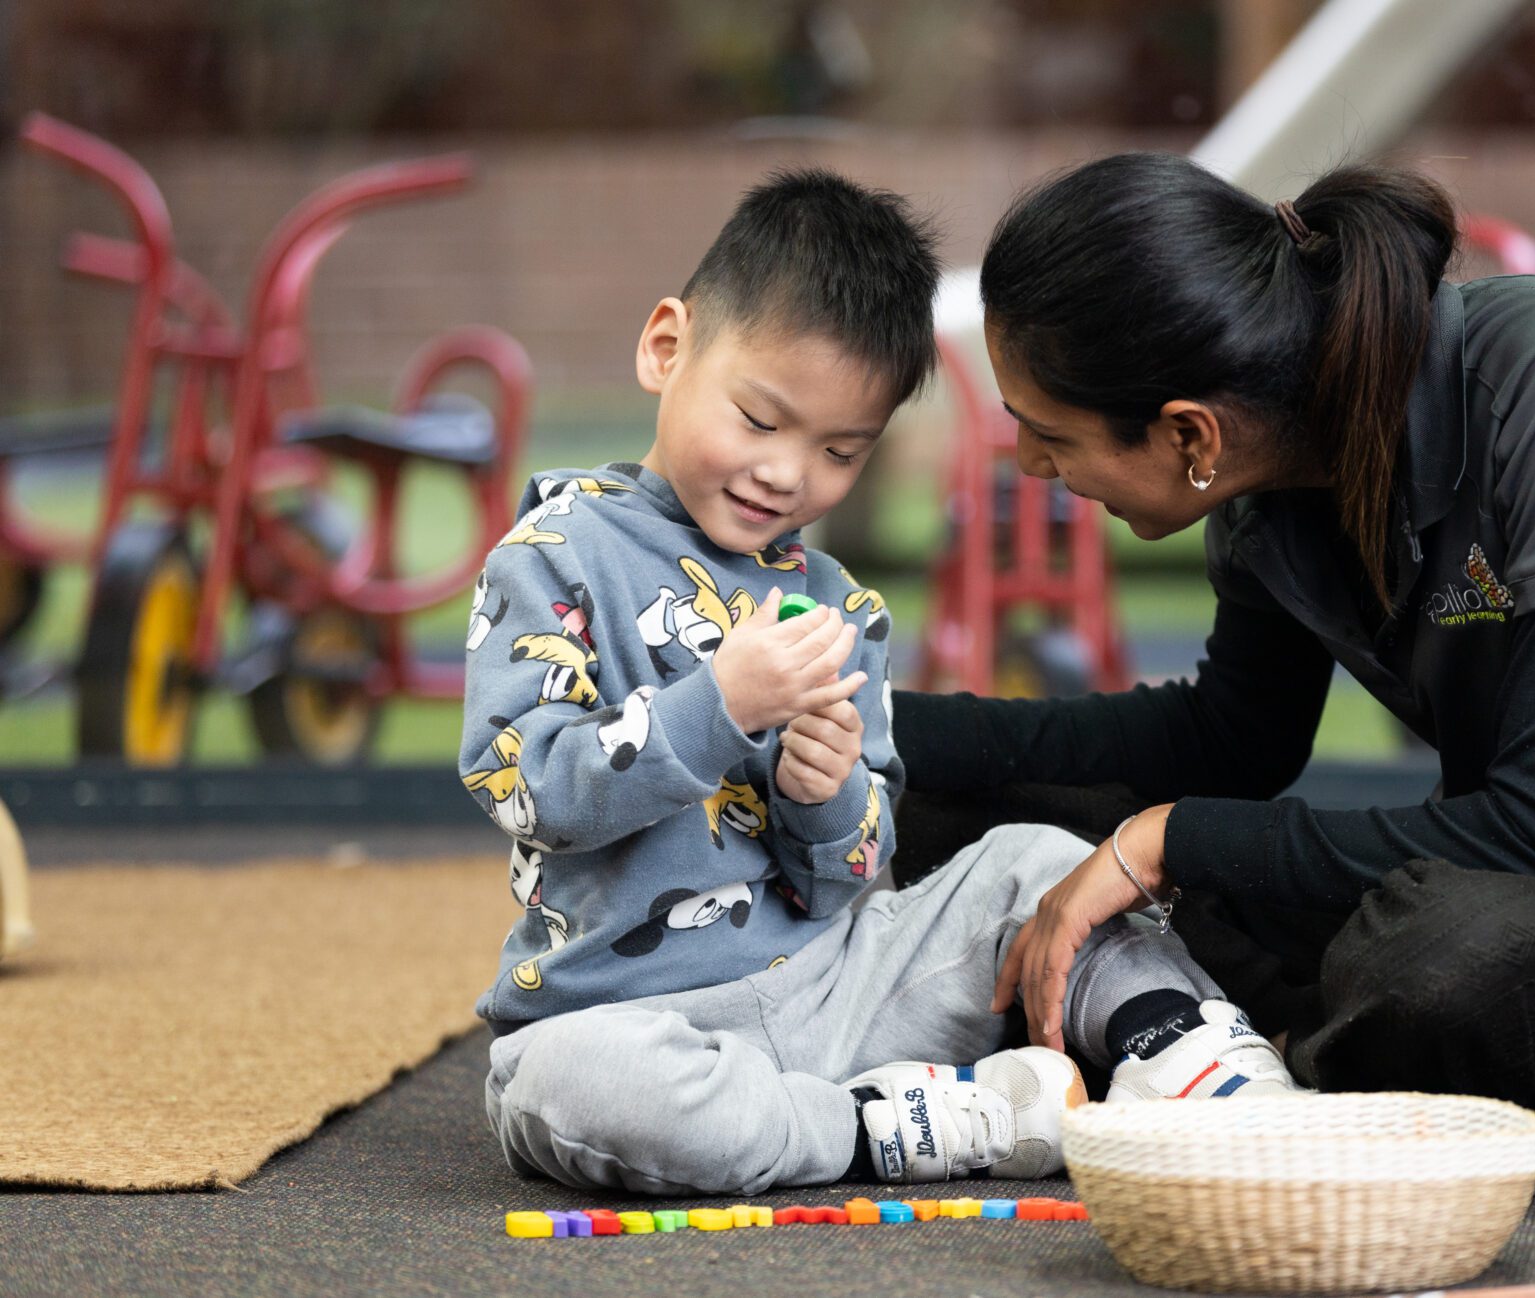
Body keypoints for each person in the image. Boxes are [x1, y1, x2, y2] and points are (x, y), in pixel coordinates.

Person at [892, 152, 1535, 1170]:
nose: (1029, 464)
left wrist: (1169, 839)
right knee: (993, 811)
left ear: (1188, 434)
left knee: (1431, 959)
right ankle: (1223, 1049)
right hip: (1514, 911)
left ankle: (1207, 1053)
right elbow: (1225, 741)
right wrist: (883, 728)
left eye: (1047, 433)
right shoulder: (1266, 486)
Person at [460, 169, 1296, 1198]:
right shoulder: (553, 557)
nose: (785, 473)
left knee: (1029, 861)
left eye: (838, 451)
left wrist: (824, 800)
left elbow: (853, 874)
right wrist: (714, 707)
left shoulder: (834, 606)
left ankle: (1196, 1063)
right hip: (630, 1015)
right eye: (759, 419)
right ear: (666, 349)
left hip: (841, 990)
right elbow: (523, 786)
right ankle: (884, 1126)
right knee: (565, 1083)